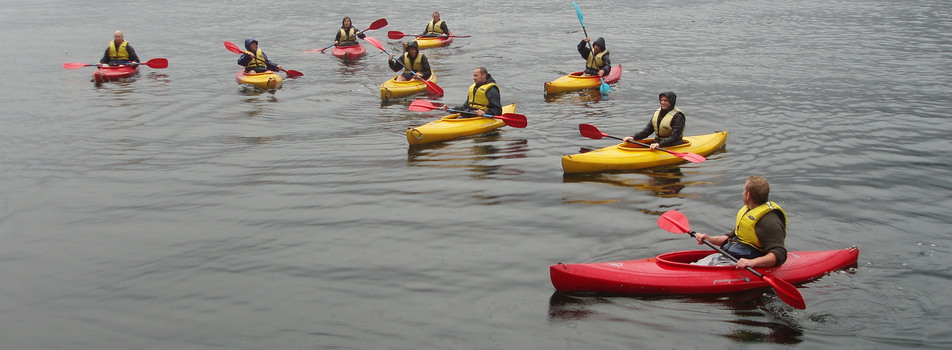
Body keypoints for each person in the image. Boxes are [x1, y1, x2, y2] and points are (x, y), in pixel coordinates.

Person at [693, 176, 788, 268]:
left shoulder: (770, 221)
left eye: (744, 190)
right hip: (730, 257)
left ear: (748, 195)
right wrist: (710, 239)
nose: (742, 193)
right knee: (695, 265)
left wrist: (752, 262)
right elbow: (731, 238)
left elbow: (779, 254)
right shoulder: (748, 212)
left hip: (747, 264)